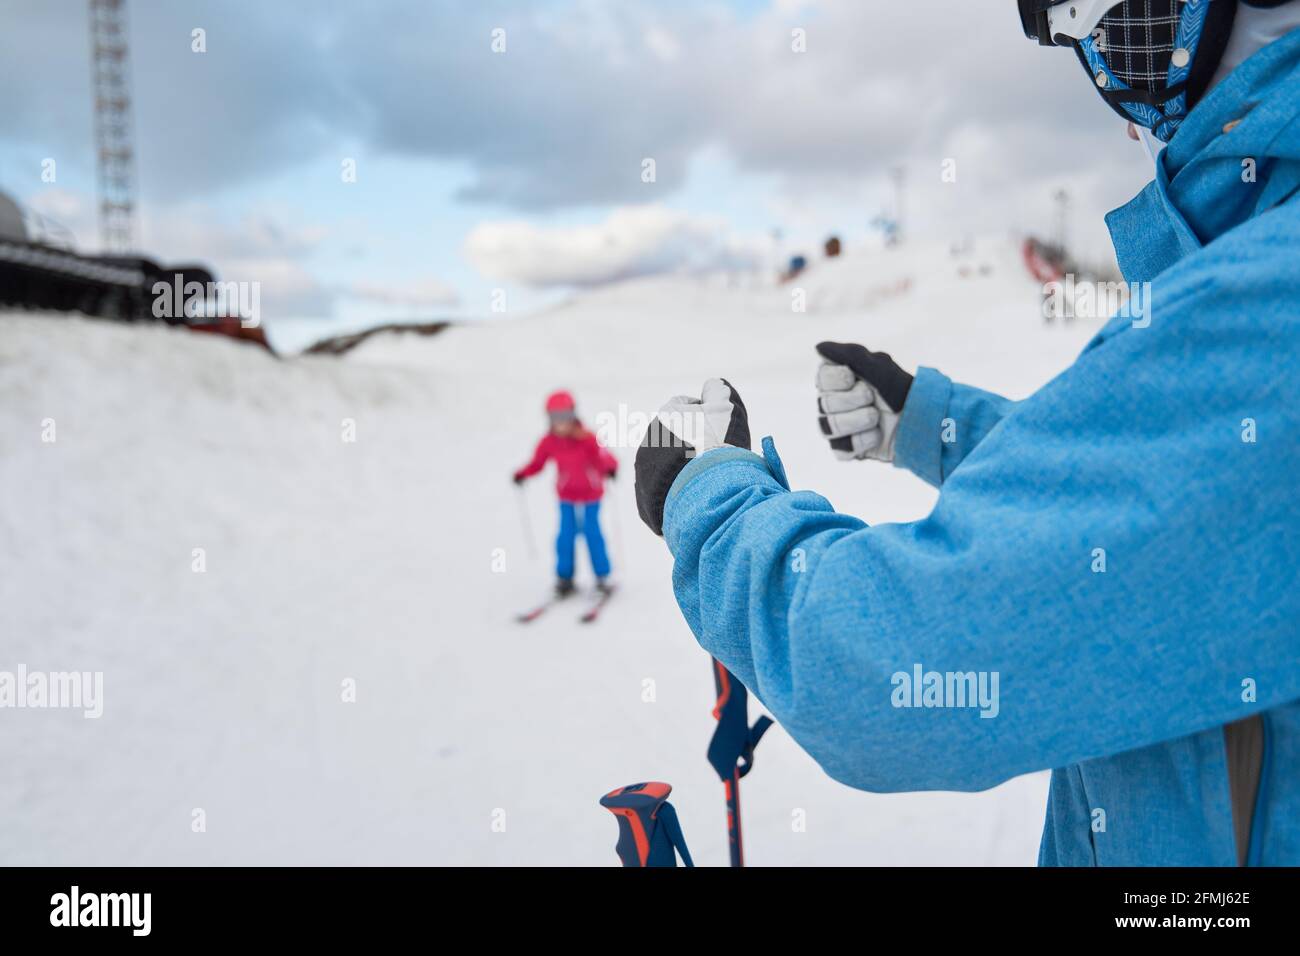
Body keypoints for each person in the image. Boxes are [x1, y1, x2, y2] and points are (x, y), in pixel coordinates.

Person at [634, 1, 1300, 866]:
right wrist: (932, 425)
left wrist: (715, 506)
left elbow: (897, 669)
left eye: (1112, 9)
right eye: (1061, 20)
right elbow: (1171, 506)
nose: (1091, 47)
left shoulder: (1269, 303)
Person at [514, 390, 618, 597]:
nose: (561, 423)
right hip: (567, 495)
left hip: (590, 494)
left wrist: (610, 468)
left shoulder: (587, 439)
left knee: (592, 533)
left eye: (564, 416)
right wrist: (523, 474)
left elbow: (604, 457)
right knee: (565, 536)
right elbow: (538, 463)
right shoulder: (549, 442)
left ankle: (602, 576)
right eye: (555, 417)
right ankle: (565, 578)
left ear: (572, 415)